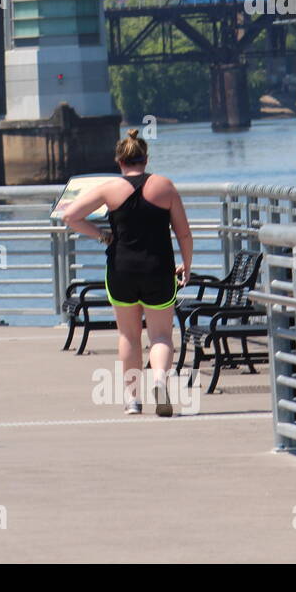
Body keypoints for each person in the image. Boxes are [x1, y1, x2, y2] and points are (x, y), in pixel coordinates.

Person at [61, 128, 193, 417]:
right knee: (160, 336)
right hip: (158, 269)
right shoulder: (165, 186)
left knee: (129, 336)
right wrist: (187, 265)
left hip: (121, 269)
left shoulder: (110, 188)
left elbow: (70, 216)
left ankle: (133, 400)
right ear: (146, 159)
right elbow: (183, 233)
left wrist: (101, 236)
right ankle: (159, 381)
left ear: (119, 161)